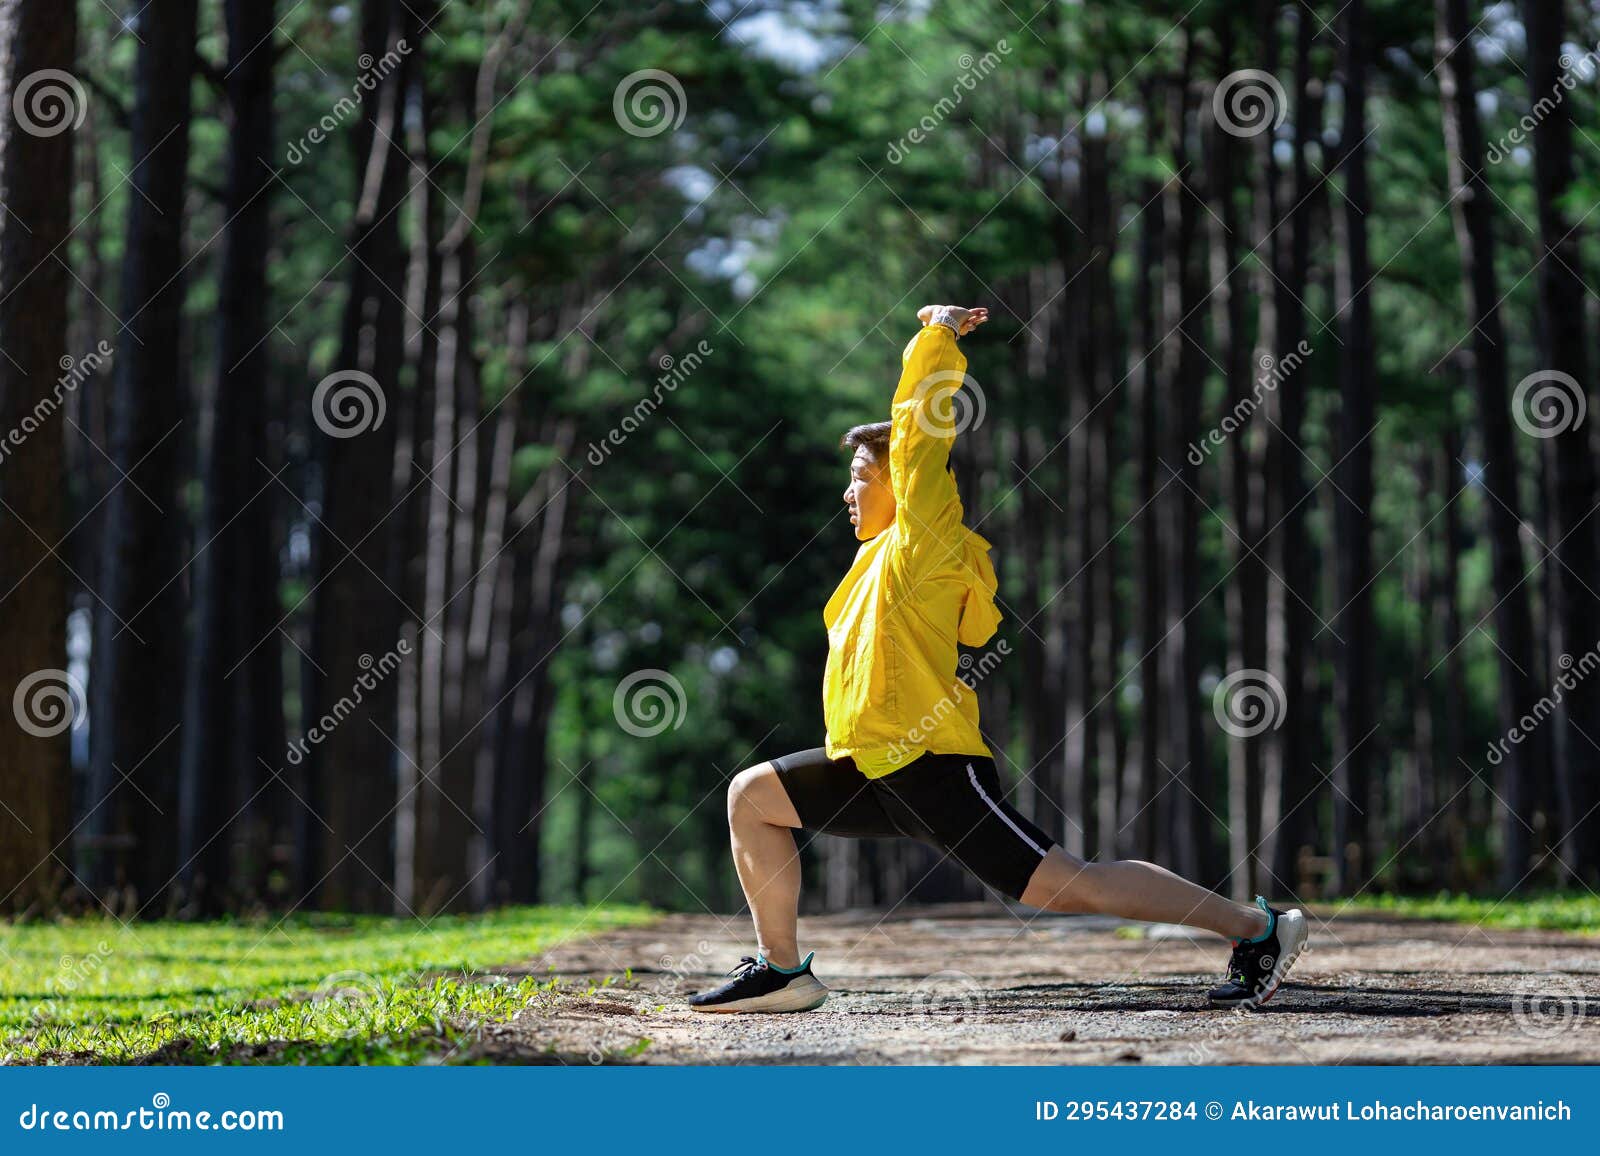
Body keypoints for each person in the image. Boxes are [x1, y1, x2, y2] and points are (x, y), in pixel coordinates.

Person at [688, 304, 1307, 1015]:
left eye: (861, 475)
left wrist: (937, 337)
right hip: (870, 765)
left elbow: (920, 437)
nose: (846, 492)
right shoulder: (874, 565)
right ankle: (782, 969)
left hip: (931, 769)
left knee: (1074, 887)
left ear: (900, 484)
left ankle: (1259, 929)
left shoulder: (922, 543)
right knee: (752, 797)